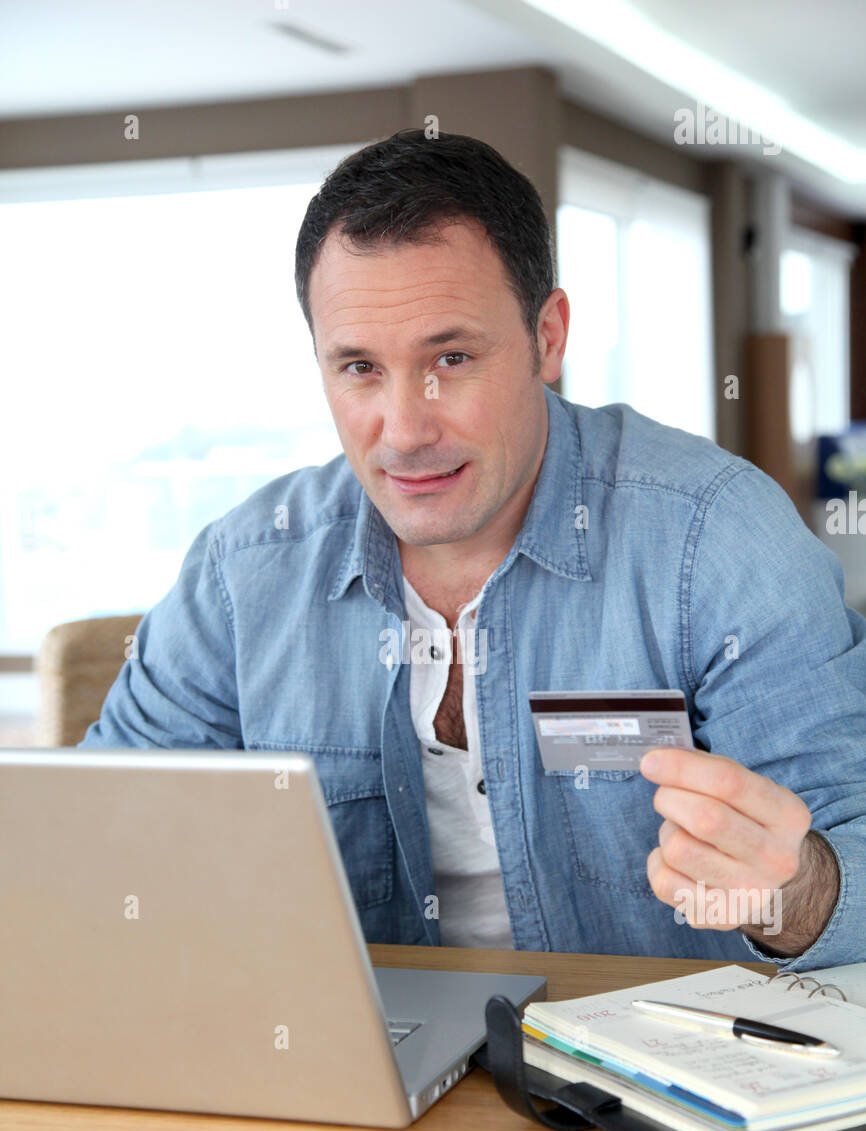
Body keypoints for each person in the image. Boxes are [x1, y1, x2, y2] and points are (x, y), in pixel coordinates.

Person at [81, 128, 866, 967]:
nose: (406, 430)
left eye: (450, 358)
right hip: (348, 1079)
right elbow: (97, 851)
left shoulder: (717, 538)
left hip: (655, 1078)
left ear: (549, 336)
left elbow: (850, 862)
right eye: (358, 369)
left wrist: (794, 893)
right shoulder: (240, 576)